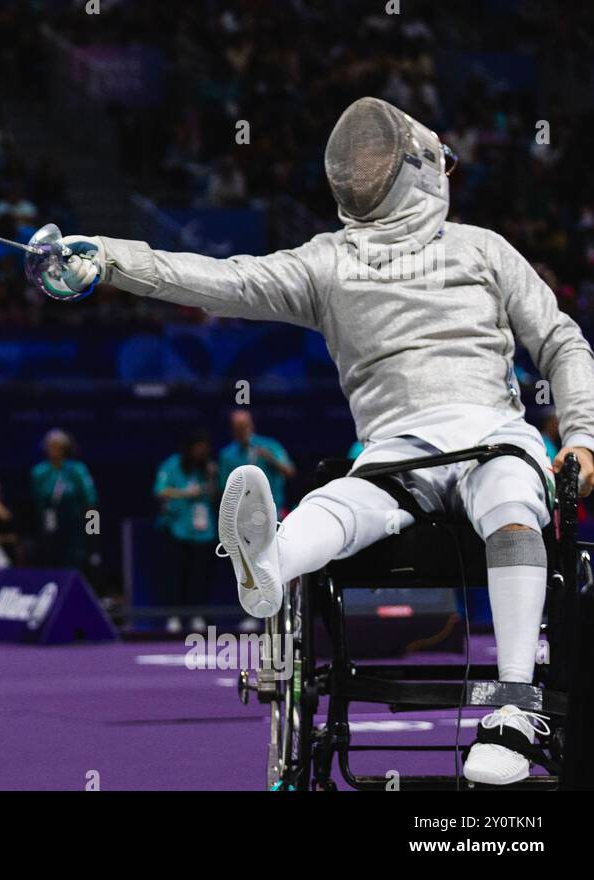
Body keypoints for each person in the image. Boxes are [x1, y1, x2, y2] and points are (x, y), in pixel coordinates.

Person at [48, 96, 594, 785]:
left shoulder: (477, 251)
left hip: (489, 441)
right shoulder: (338, 260)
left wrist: (581, 436)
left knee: (501, 493)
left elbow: (561, 341)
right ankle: (271, 564)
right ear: (424, 172)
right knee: (349, 499)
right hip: (404, 451)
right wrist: (111, 257)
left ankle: (514, 709)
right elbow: (224, 282)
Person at [154, 431, 218, 634]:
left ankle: (197, 614)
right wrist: (186, 493)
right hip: (177, 529)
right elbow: (161, 491)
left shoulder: (209, 468)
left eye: (204, 448)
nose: (201, 452)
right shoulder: (172, 465)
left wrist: (213, 476)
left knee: (199, 576)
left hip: (203, 531)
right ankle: (174, 616)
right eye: (198, 447)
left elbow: (218, 495)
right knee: (175, 575)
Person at [30, 429, 97, 570]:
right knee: (51, 555)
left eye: (57, 446)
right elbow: (37, 501)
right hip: (50, 519)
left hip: (75, 520)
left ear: (65, 448)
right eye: (50, 446)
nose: (53, 450)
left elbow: (91, 501)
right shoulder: (39, 472)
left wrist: (93, 531)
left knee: (75, 556)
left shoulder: (77, 469)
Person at [218, 410, 295, 514]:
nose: (243, 431)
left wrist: (271, 459)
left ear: (251, 425)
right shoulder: (226, 455)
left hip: (273, 511)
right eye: (238, 428)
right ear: (233, 430)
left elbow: (290, 472)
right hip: (243, 516)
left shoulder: (270, 445)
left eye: (245, 426)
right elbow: (225, 489)